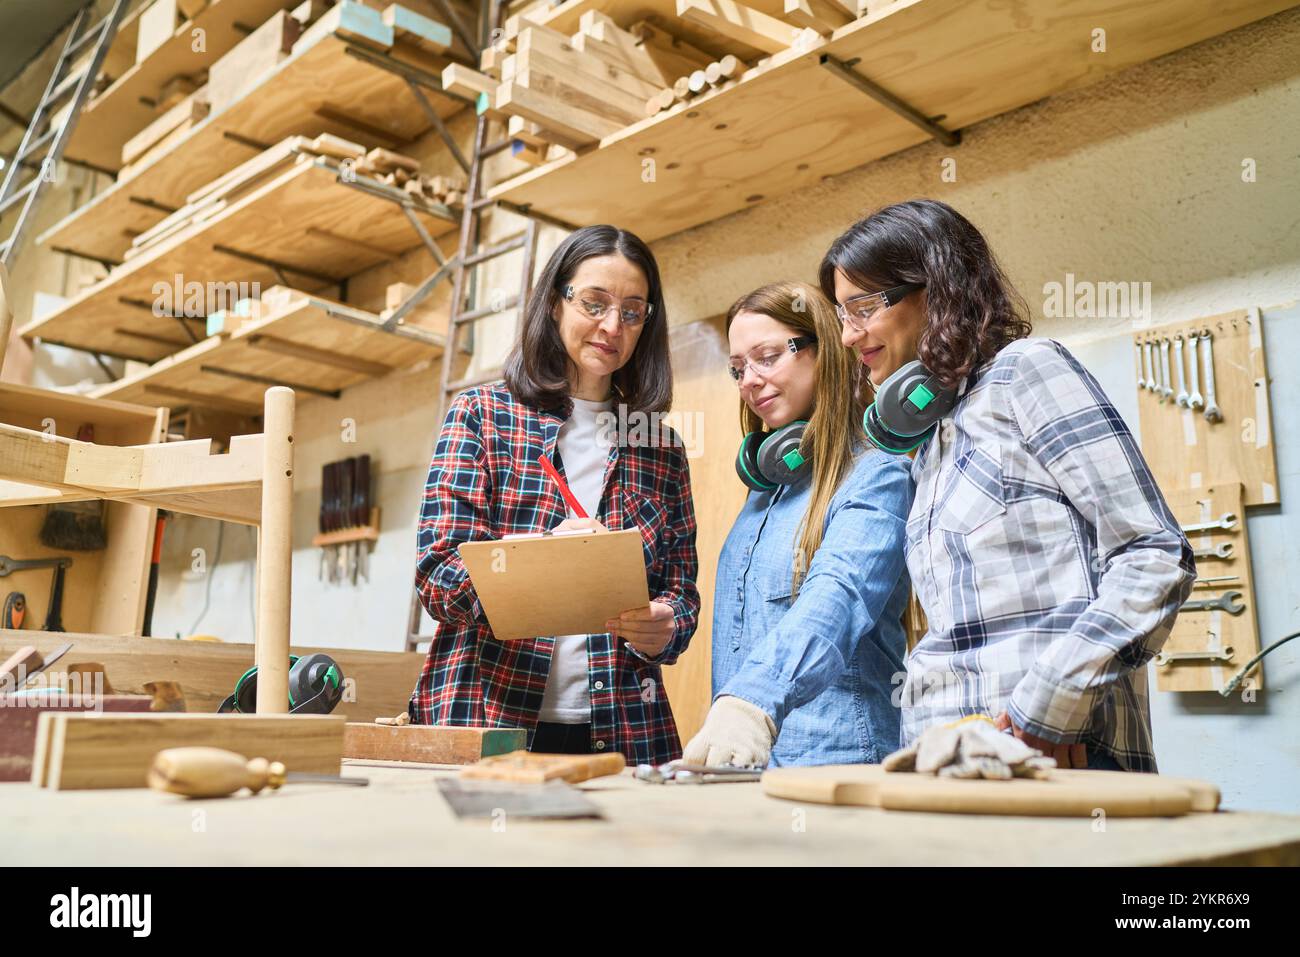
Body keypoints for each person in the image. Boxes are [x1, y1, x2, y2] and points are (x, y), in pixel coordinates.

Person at [822, 199, 1195, 771]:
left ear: (937, 288)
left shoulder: (1026, 371)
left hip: (1048, 751)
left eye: (862, 308)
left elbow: (1154, 554)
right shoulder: (930, 438)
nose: (849, 337)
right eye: (841, 315)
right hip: (945, 756)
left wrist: (1046, 710)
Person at [409, 225, 700, 765]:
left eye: (633, 312)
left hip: (624, 730)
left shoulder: (659, 447)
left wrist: (664, 626)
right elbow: (437, 578)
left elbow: (682, 593)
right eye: (594, 303)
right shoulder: (481, 417)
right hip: (486, 718)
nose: (612, 326)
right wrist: (541, 561)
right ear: (553, 303)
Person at [683, 281, 913, 768]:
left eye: (767, 356)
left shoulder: (876, 476)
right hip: (753, 767)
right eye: (738, 368)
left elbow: (837, 594)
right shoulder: (765, 493)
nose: (748, 380)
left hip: (841, 764)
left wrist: (751, 707)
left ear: (823, 350)